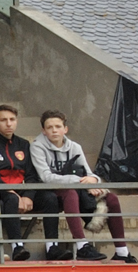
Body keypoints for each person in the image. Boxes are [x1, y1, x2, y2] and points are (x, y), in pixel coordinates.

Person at [34, 109, 129, 262]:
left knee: (111, 198)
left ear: (65, 129)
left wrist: (94, 181)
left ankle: (122, 251)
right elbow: (46, 177)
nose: (54, 130)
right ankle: (82, 246)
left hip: (75, 189)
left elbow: (89, 173)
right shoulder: (37, 147)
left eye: (58, 126)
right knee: (70, 192)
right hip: (49, 192)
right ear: (43, 131)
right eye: (49, 127)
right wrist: (81, 182)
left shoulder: (74, 147)